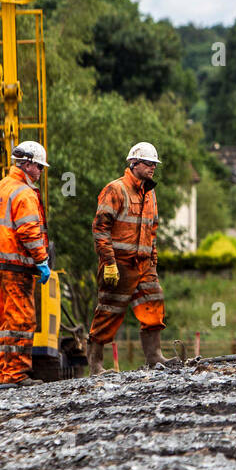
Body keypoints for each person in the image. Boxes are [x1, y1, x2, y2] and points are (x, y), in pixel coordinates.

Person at [86, 142, 166, 375]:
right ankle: (96, 364)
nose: (152, 167)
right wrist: (109, 262)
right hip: (119, 264)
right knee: (109, 311)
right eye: (148, 163)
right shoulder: (115, 190)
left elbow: (153, 228)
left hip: (144, 264)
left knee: (154, 303)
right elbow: (100, 229)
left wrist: (153, 258)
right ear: (134, 164)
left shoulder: (150, 193)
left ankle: (154, 356)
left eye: (154, 164)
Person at [0, 141, 52, 385]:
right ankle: (15, 374)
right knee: (22, 320)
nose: (41, 172)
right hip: (17, 268)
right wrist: (42, 260)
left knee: (7, 322)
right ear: (29, 164)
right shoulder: (23, 193)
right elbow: (29, 232)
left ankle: (6, 373)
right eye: (40, 167)